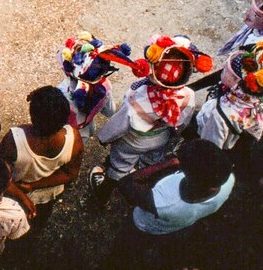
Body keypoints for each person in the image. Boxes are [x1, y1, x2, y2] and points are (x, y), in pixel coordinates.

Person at [91, 35, 212, 189]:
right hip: (161, 138)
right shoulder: (188, 95)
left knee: (121, 163)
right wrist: (172, 136)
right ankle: (141, 178)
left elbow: (120, 123)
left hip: (133, 141)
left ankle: (107, 187)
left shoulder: (137, 94)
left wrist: (105, 137)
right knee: (151, 161)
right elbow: (182, 122)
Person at [0, 86, 82, 221]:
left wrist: (22, 197)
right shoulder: (74, 138)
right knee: (40, 219)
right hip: (47, 194)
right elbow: (69, 174)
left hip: (14, 193)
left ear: (33, 116)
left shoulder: (15, 139)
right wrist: (34, 186)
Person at [120, 138, 235, 237]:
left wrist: (169, 163)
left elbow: (126, 183)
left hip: (143, 225)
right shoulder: (228, 180)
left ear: (190, 175)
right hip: (169, 228)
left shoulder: (165, 203)